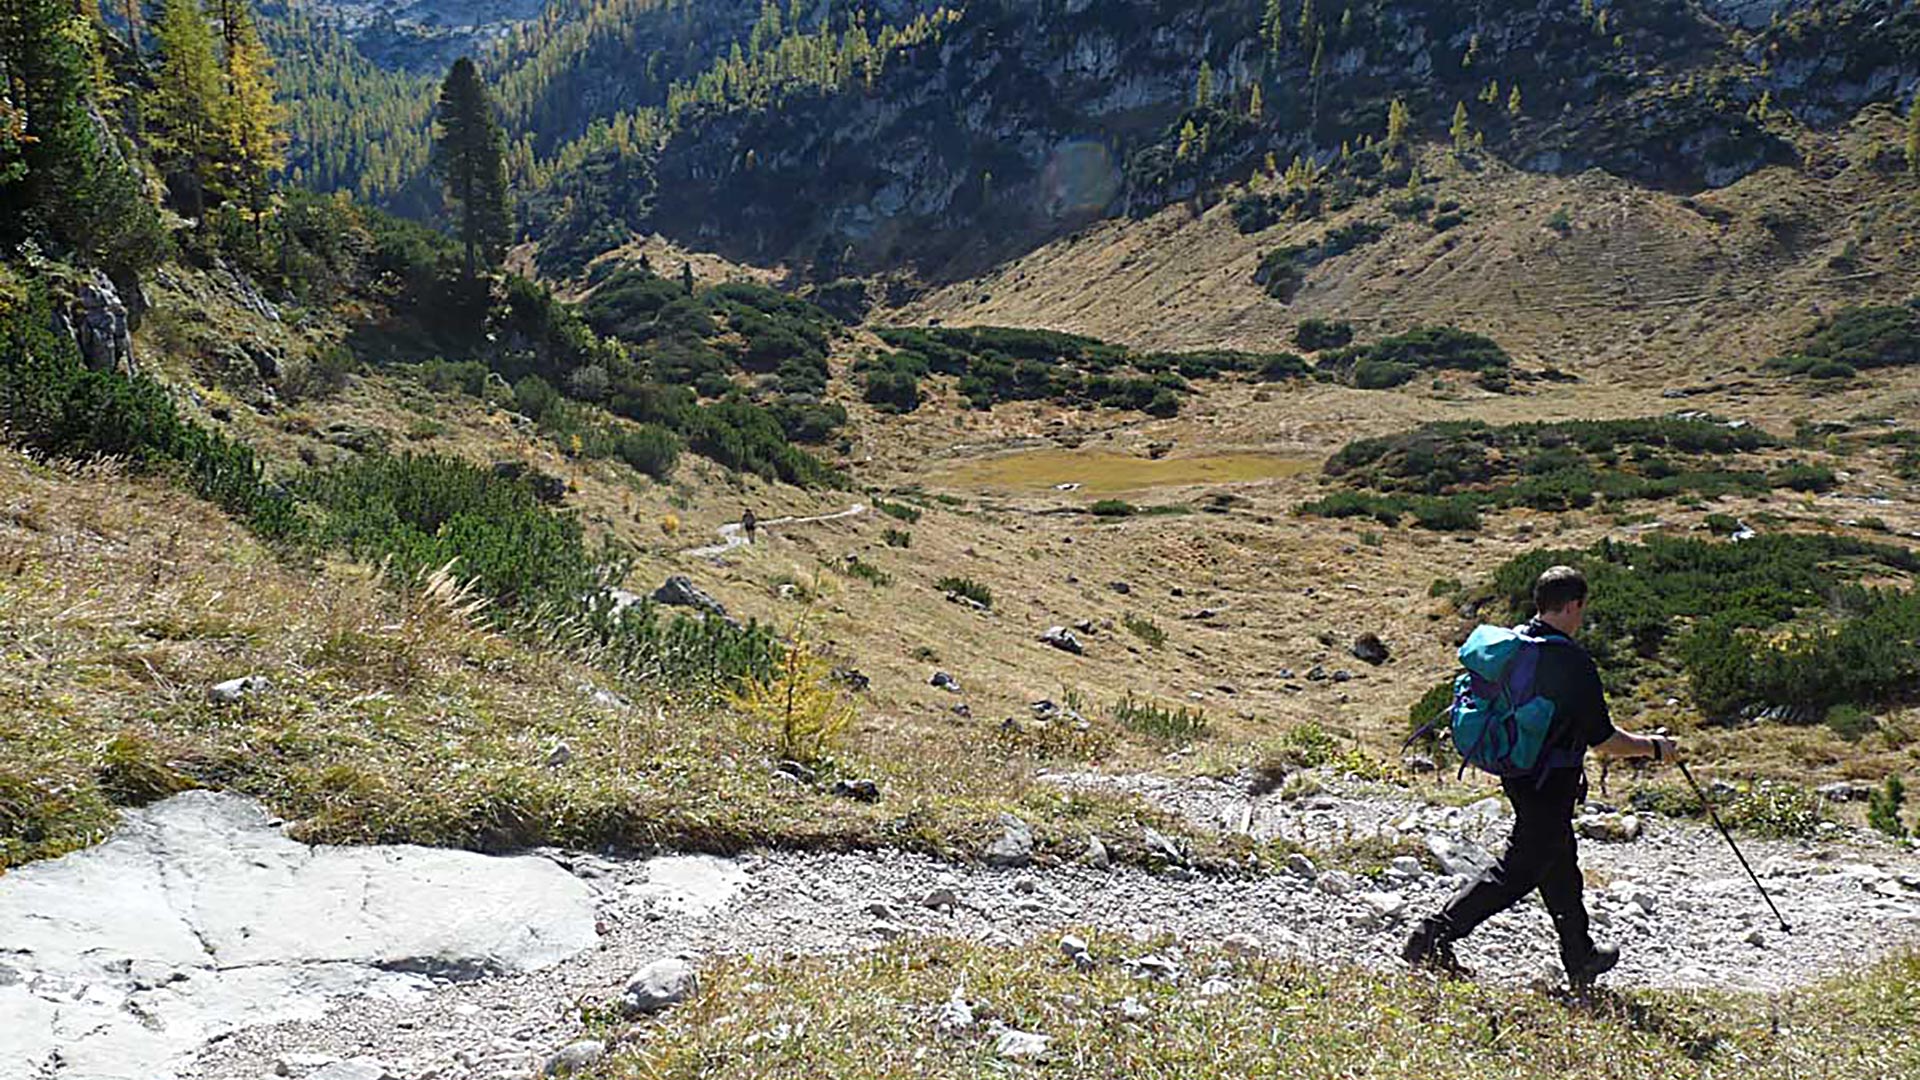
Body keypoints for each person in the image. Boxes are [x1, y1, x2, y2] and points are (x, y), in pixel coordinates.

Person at [1402, 565, 1679, 987]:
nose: (1582, 618)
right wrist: (1654, 747)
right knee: (1519, 869)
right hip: (1550, 780)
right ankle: (1432, 937)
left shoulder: (1517, 645)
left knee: (1559, 860)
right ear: (1572, 606)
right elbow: (1604, 739)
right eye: (1581, 609)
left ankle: (1580, 955)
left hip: (1518, 771)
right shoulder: (1570, 661)